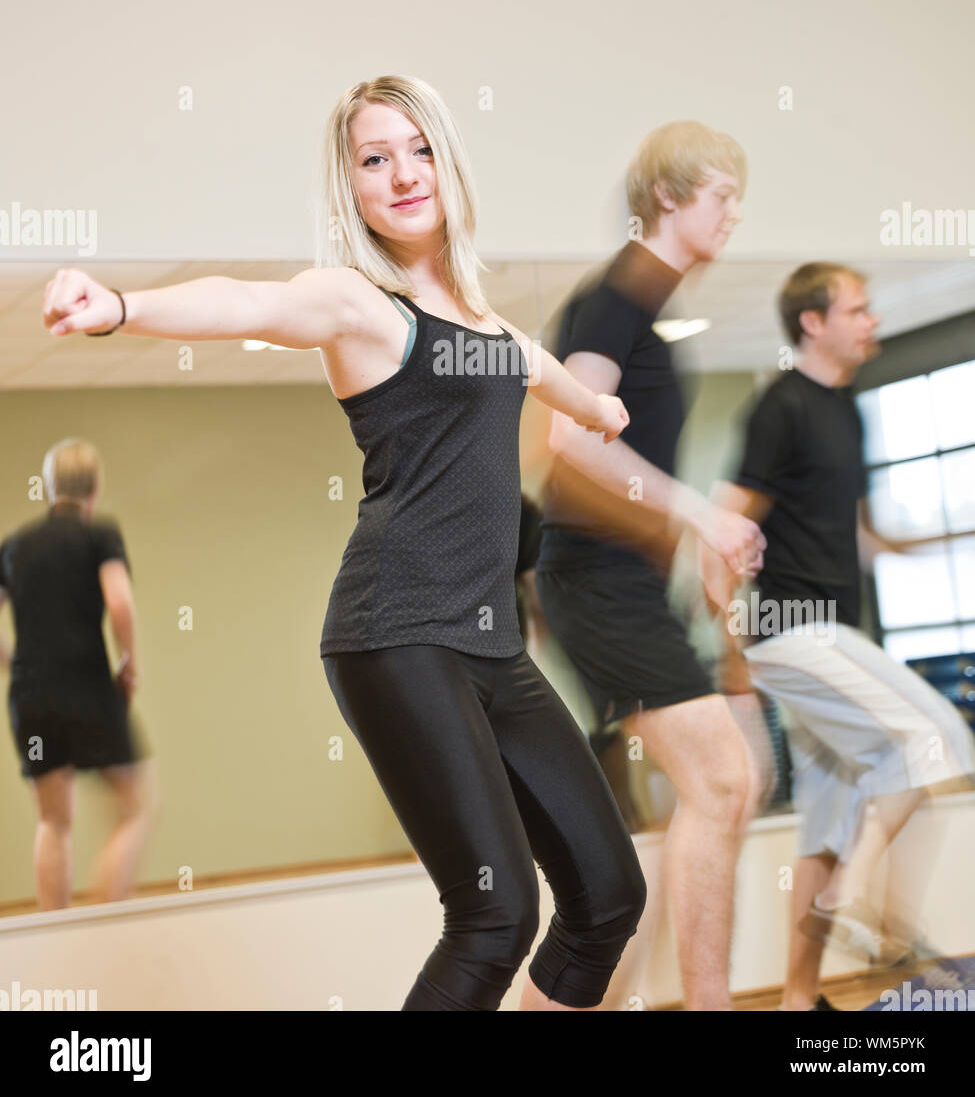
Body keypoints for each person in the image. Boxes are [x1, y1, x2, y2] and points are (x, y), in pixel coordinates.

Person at [40, 75, 759, 1012]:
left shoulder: (478, 317)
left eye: (419, 149)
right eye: (374, 159)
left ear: (448, 164)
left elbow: (528, 365)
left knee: (607, 894)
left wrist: (595, 406)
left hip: (492, 643)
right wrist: (123, 307)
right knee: (495, 916)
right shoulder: (356, 303)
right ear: (353, 190)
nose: (403, 173)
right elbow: (246, 303)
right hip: (396, 633)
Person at [533, 120, 768, 1011]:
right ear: (667, 198)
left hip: (624, 587)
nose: (734, 214)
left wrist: (697, 551)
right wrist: (702, 514)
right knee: (722, 781)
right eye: (721, 195)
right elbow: (569, 438)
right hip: (592, 585)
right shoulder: (613, 302)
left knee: (708, 805)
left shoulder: (650, 323)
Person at [701, 262, 975, 1012]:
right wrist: (732, 657)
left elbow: (850, 537)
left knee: (827, 826)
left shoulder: (845, 409)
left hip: (826, 631)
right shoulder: (779, 406)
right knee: (936, 733)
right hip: (789, 631)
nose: (872, 322)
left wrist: (939, 538)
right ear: (813, 323)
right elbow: (721, 528)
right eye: (857, 310)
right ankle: (861, 903)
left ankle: (796, 1000)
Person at [0, 439, 156, 910]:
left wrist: (16, 664)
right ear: (94, 488)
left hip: (31, 697)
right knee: (136, 809)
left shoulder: (14, 546)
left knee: (53, 820)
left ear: (50, 489)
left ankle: (56, 936)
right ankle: (105, 920)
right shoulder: (98, 534)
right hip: (85, 684)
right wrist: (128, 661)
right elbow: (120, 601)